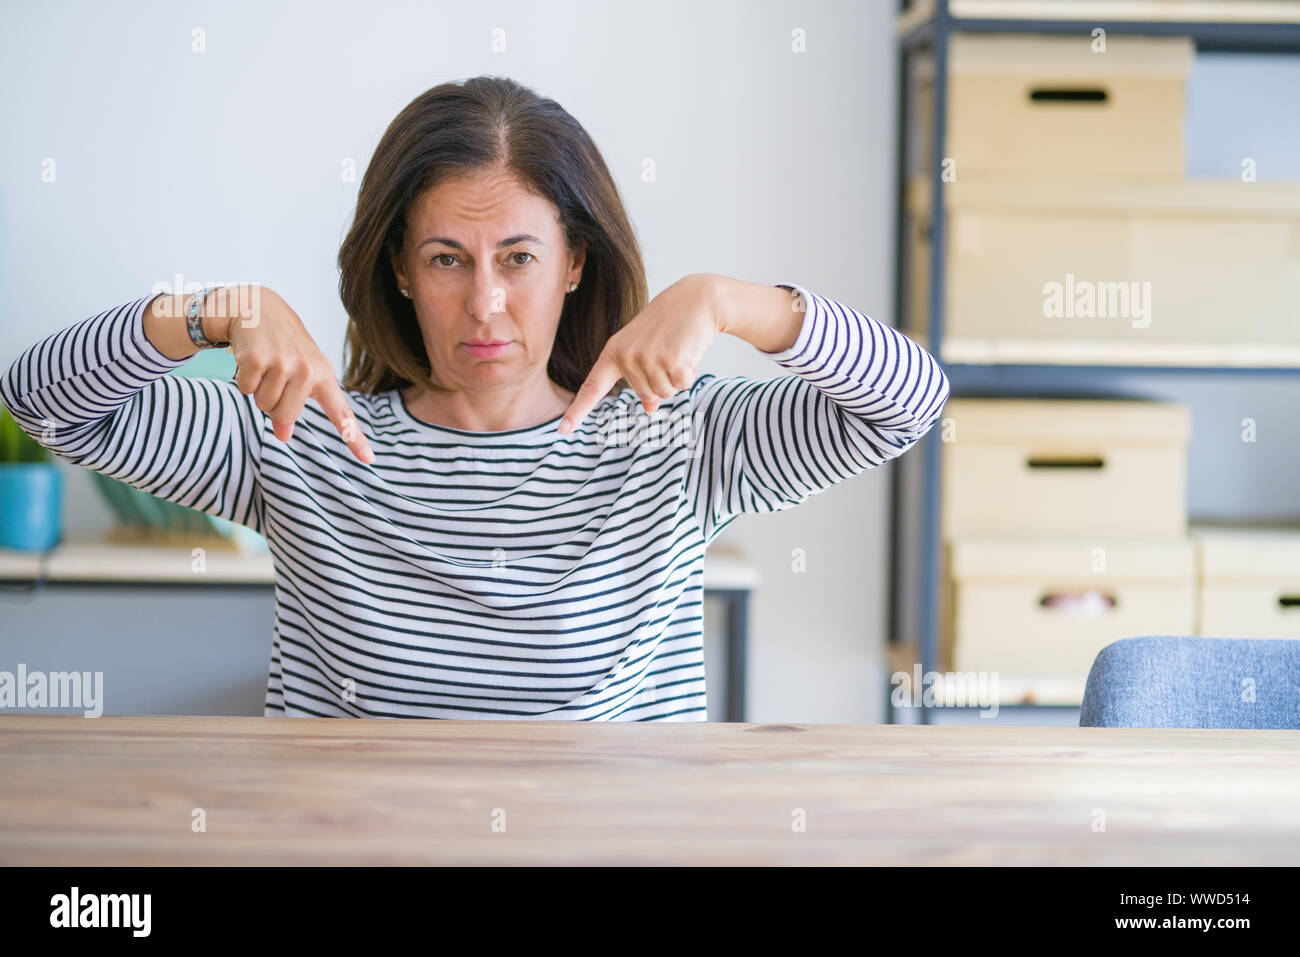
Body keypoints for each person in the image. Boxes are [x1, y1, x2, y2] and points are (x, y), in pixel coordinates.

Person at [0, 76, 950, 720]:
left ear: (576, 262)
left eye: (520, 258)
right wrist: (214, 312)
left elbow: (910, 401)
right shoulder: (301, 435)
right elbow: (42, 399)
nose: (486, 302)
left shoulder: (675, 436)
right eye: (447, 258)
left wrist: (744, 305)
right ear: (402, 273)